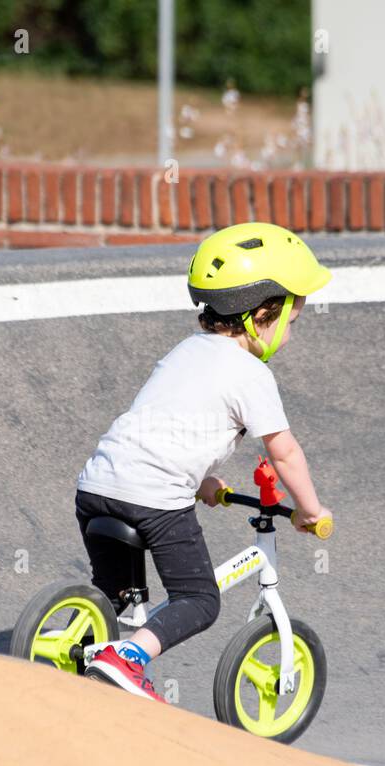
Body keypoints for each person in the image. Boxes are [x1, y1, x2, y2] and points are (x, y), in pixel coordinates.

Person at [75, 222, 334, 700]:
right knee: (198, 599)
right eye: (290, 323)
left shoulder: (185, 351)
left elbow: (160, 429)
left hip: (97, 484)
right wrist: (312, 511)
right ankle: (128, 658)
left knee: (117, 601)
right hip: (153, 501)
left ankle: (85, 649)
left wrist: (203, 481)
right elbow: (284, 452)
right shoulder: (251, 374)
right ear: (261, 317)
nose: (290, 334)